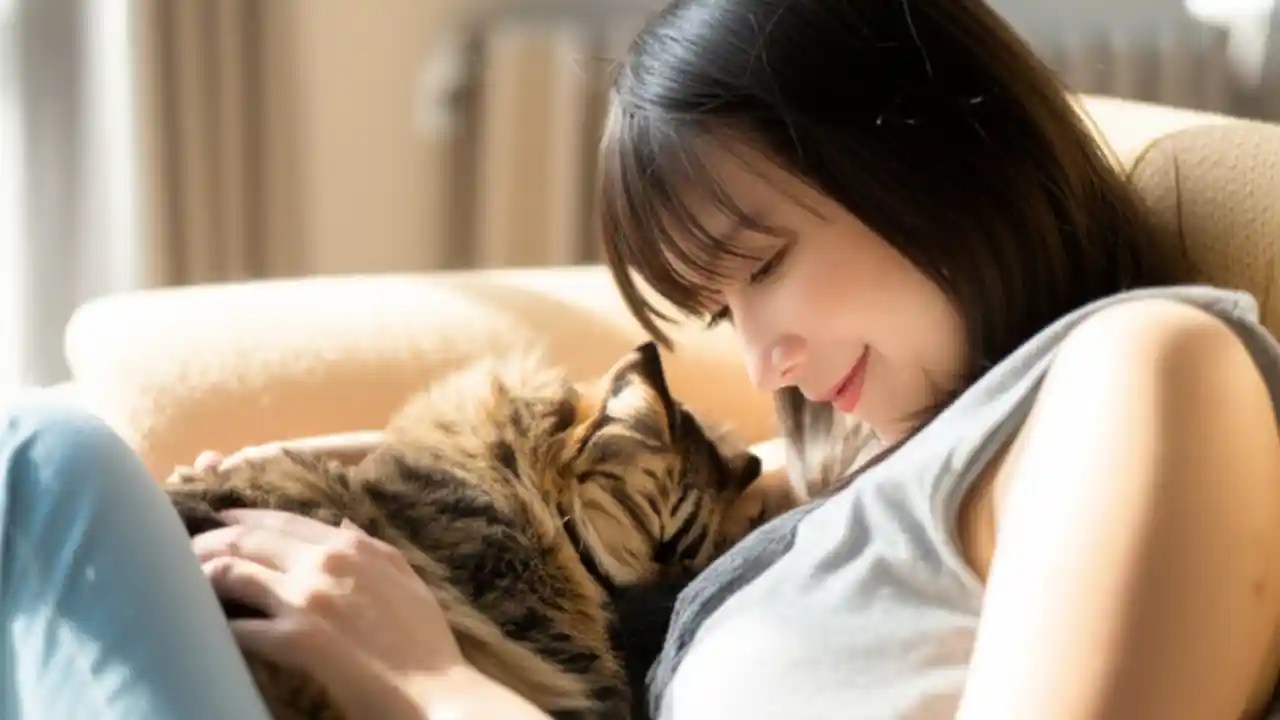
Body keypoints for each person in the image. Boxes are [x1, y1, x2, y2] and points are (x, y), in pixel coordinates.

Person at [2, 0, 1278, 718]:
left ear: (930, 156)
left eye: (763, 260)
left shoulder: (1143, 366)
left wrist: (427, 682)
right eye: (715, 307)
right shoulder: (862, 462)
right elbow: (602, 449)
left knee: (36, 468)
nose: (763, 352)